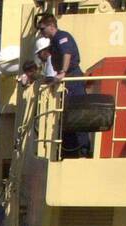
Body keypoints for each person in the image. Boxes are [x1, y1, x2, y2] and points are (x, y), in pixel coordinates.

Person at [39, 14, 91, 158]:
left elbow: (66, 53)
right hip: (68, 79)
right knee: (68, 114)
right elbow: (51, 52)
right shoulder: (54, 41)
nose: (41, 33)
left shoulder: (62, 36)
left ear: (51, 26)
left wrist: (62, 72)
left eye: (42, 29)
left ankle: (83, 150)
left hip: (73, 78)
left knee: (77, 112)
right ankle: (72, 148)